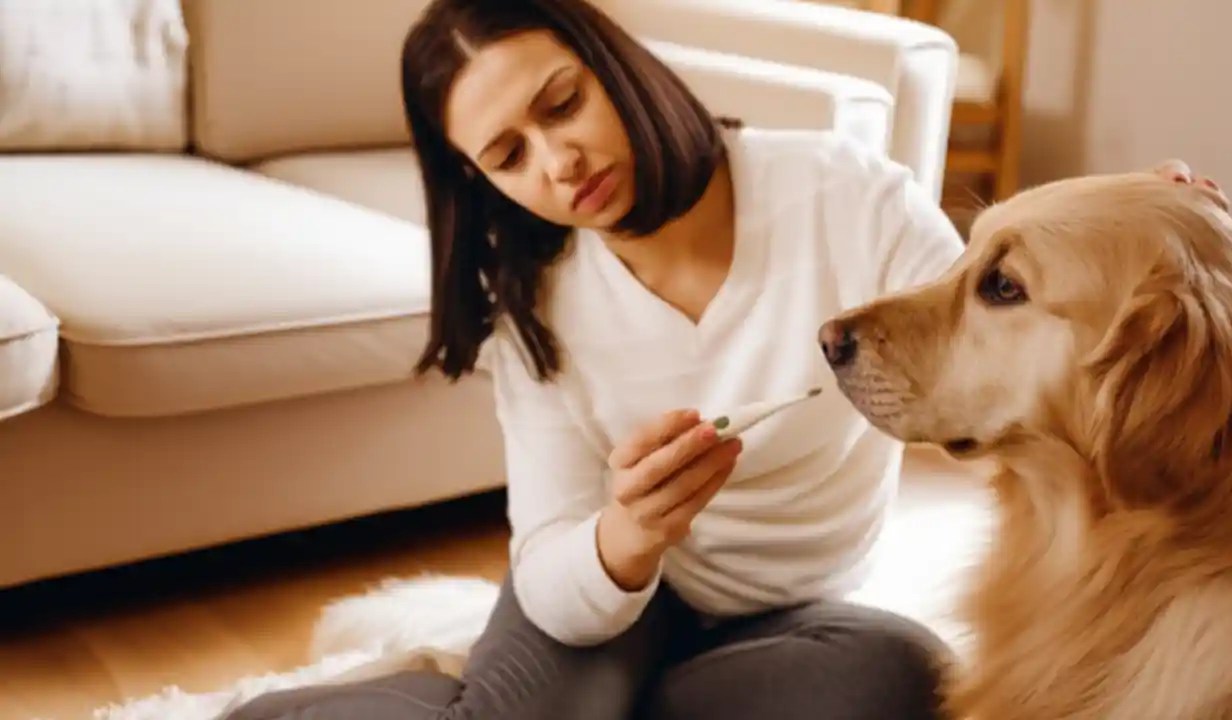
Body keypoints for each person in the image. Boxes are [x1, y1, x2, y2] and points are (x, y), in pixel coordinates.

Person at [226, 0, 970, 718]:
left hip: (799, 620)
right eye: (510, 156)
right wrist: (630, 534)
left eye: (561, 105)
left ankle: (522, 701)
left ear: (613, 63)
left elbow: (986, 347)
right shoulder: (541, 308)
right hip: (614, 600)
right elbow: (552, 568)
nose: (560, 162)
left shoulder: (847, 199)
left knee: (909, 679)